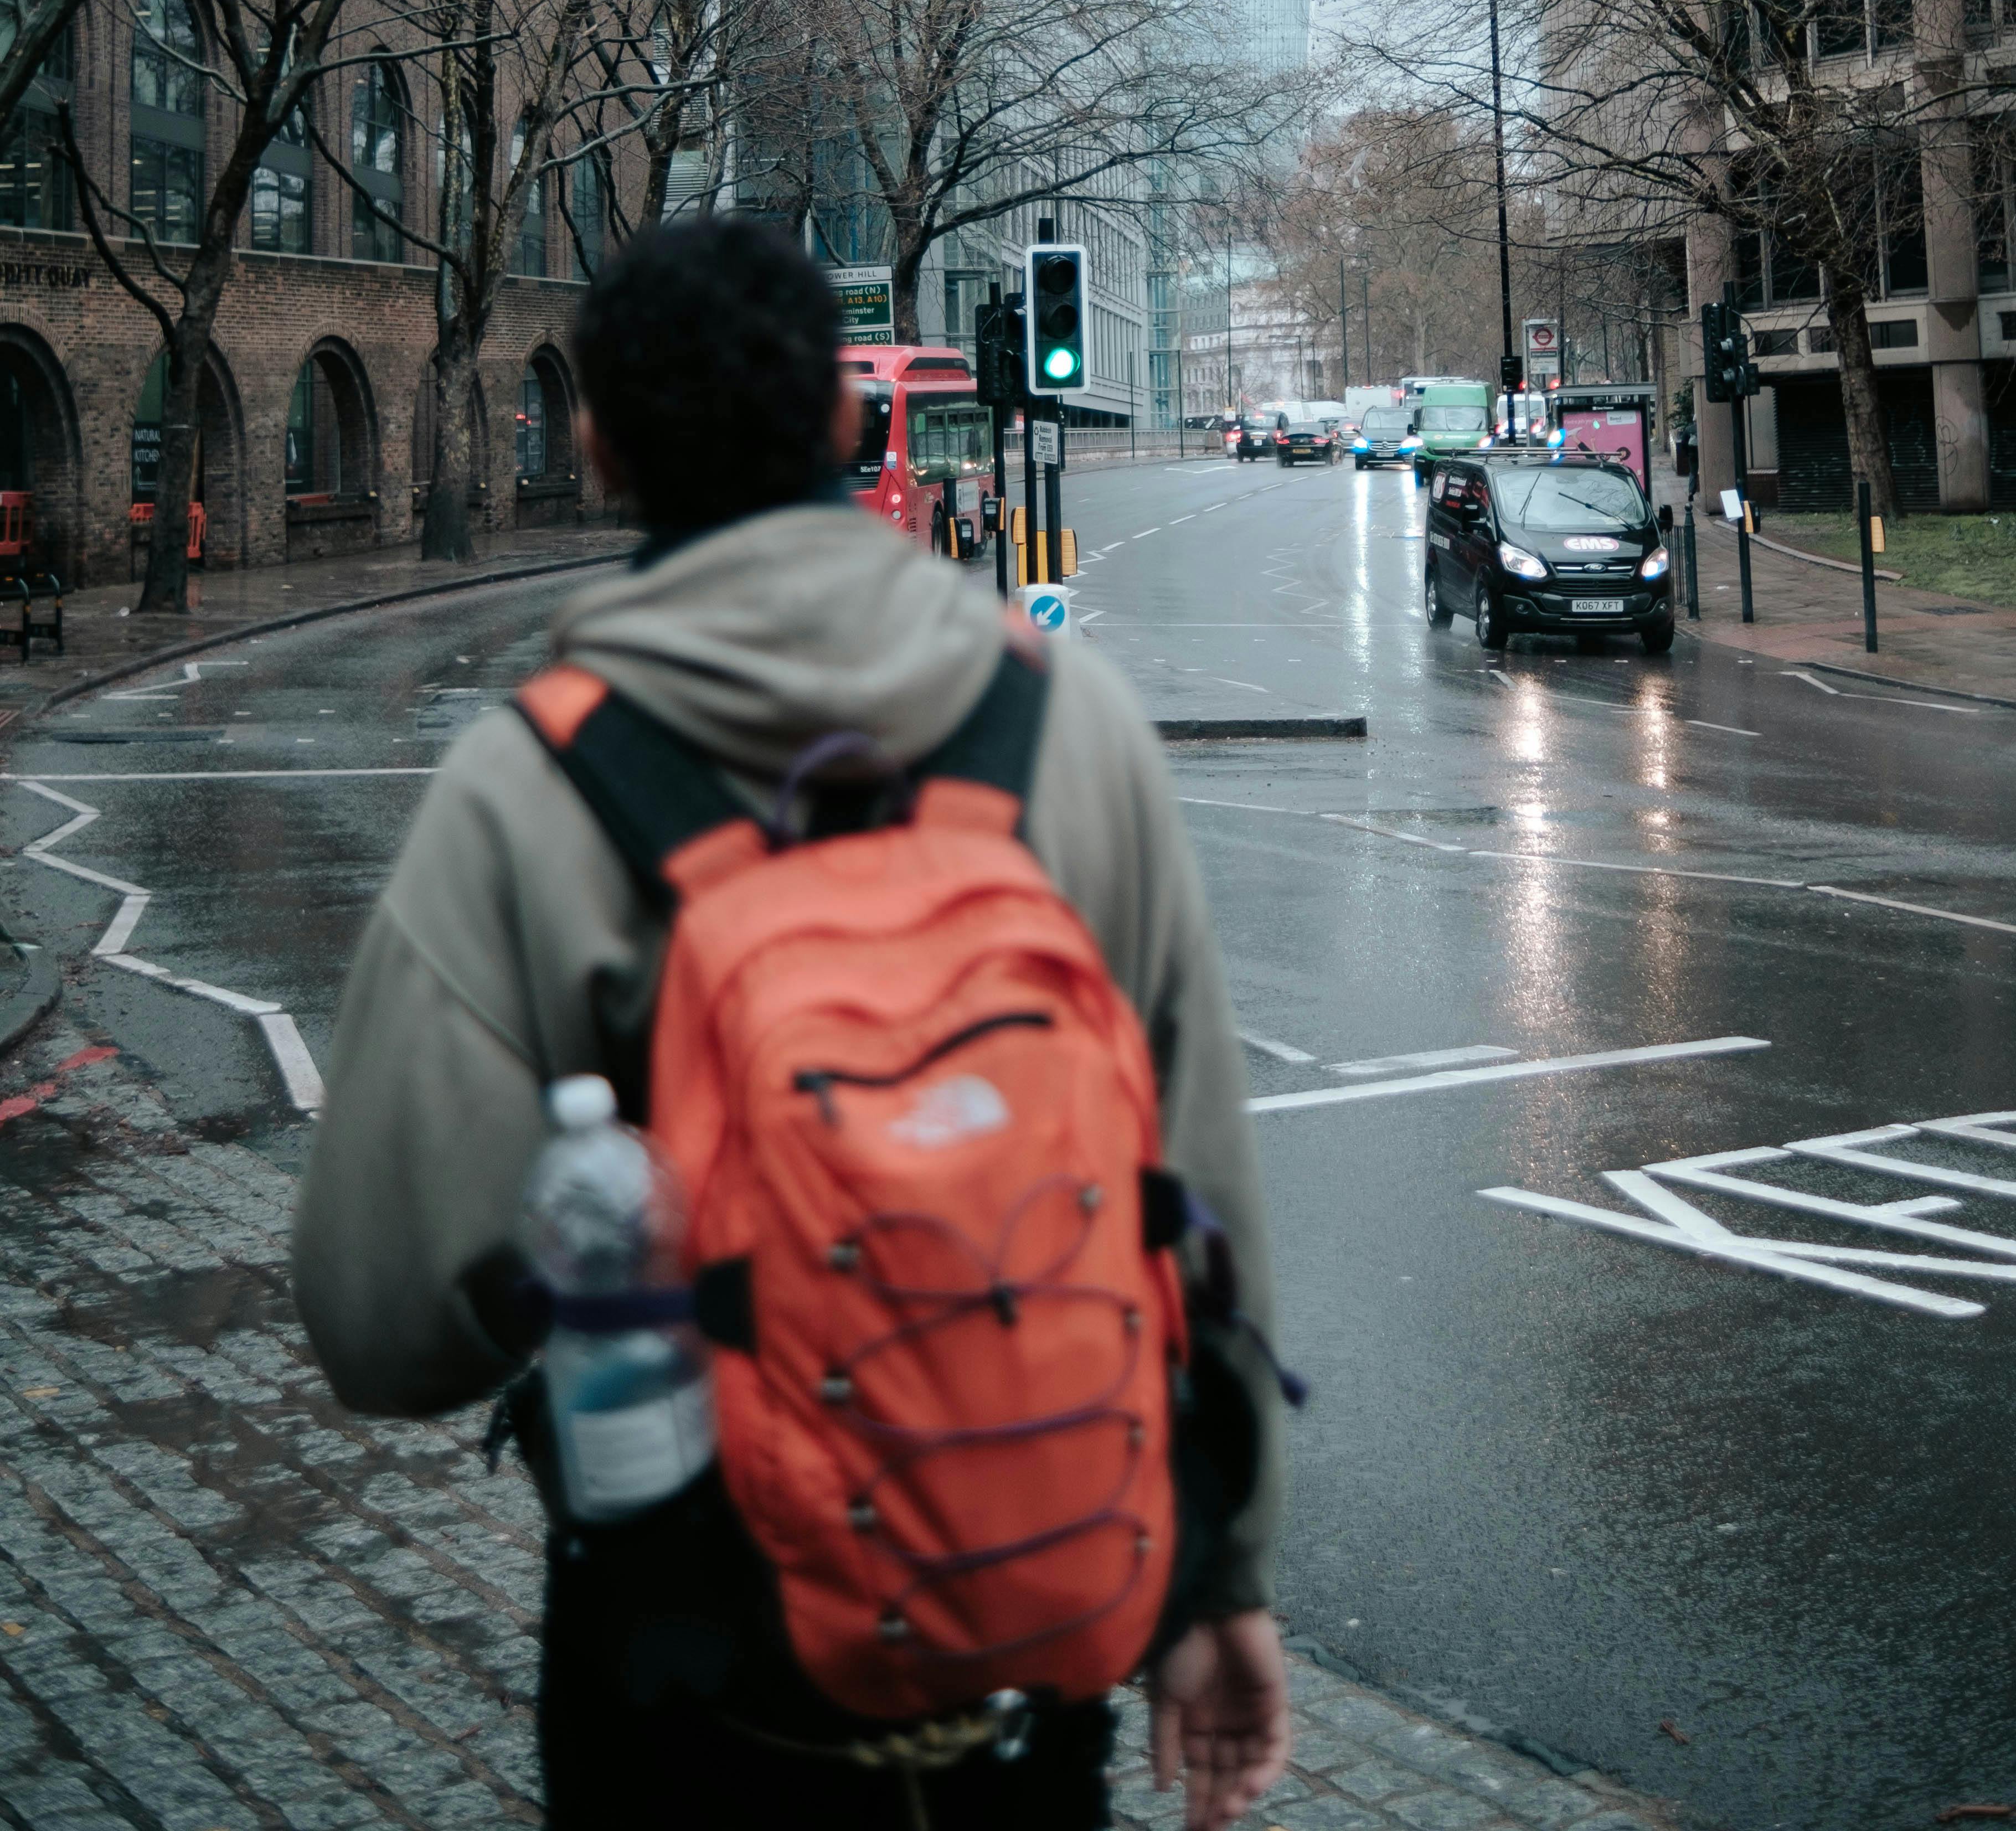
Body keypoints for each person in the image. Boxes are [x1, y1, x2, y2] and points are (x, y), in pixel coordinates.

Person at [292, 218, 1290, 1831]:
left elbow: (380, 1317)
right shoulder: (1068, 726)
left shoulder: (529, 785)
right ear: (844, 420)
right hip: (1018, 1686)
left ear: (601, 447)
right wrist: (1220, 1581)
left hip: (686, 1699)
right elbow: (1202, 1194)